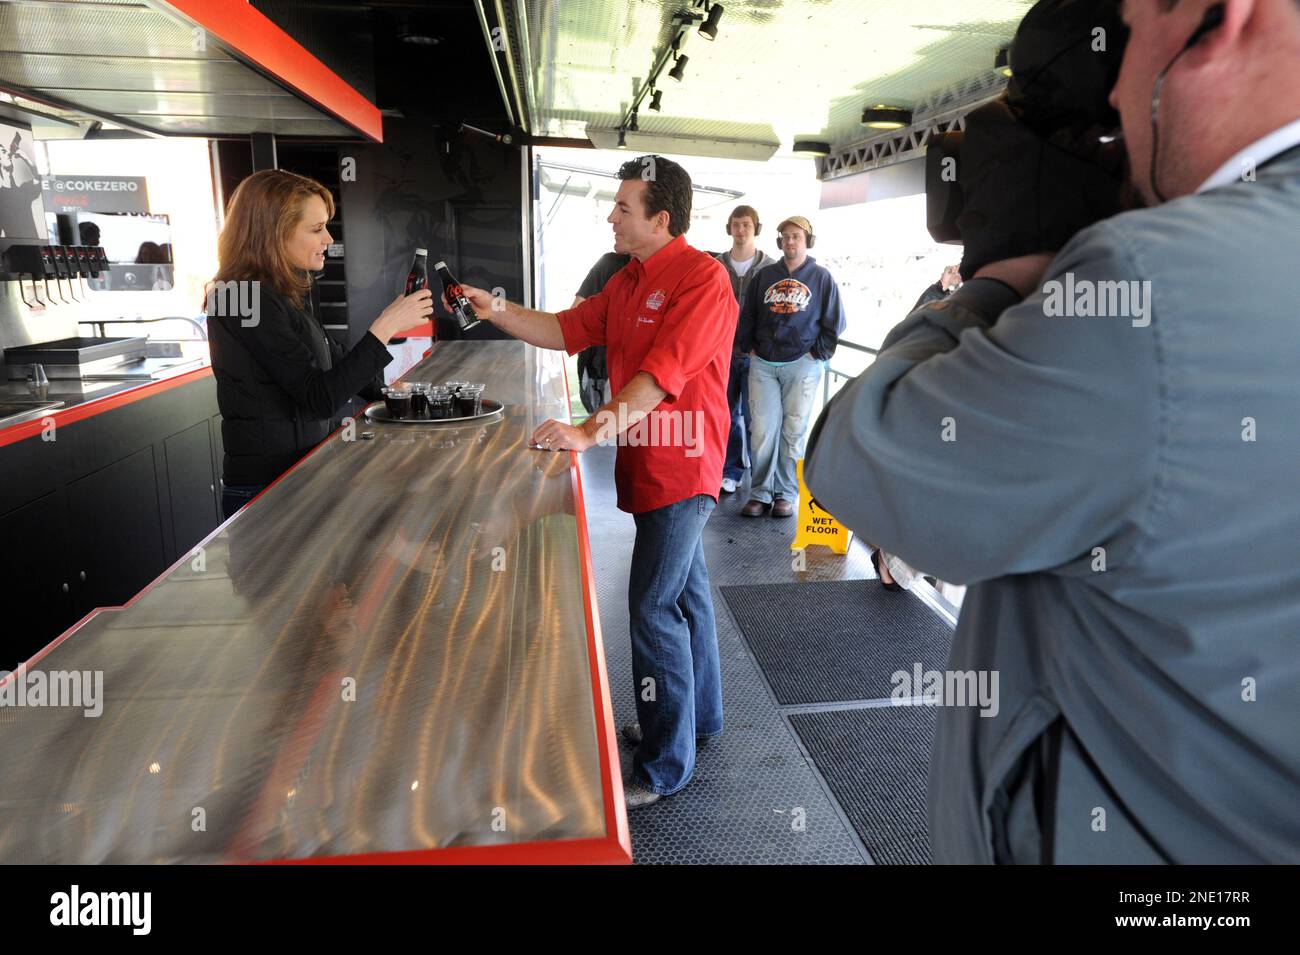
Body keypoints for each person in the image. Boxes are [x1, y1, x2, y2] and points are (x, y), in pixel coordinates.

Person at [805, 0, 1300, 863]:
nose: (1118, 99)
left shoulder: (1153, 287)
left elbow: (858, 457)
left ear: (1219, 20)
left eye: (1138, 32)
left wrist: (998, 286)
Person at [449, 154, 735, 809]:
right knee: (685, 597)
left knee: (652, 609)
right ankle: (697, 720)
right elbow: (564, 329)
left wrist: (585, 430)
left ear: (662, 218)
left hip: (684, 467)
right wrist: (491, 306)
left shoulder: (703, 281)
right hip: (647, 462)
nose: (612, 215)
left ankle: (665, 764)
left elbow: (661, 376)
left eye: (624, 207)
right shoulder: (630, 279)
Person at [207, 170, 432, 519]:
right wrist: (386, 325)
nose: (328, 238)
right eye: (316, 229)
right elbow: (319, 398)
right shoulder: (240, 297)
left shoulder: (284, 289)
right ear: (274, 233)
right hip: (267, 493)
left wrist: (400, 399)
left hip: (301, 477)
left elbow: (333, 362)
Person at [736, 215, 845, 518]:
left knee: (794, 431)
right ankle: (760, 493)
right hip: (764, 364)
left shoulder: (821, 277)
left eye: (796, 236)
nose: (790, 241)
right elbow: (748, 315)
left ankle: (785, 494)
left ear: (807, 240)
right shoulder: (765, 275)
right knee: (762, 431)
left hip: (802, 364)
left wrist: (817, 353)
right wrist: (750, 347)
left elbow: (836, 321)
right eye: (785, 236)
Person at [714, 205, 776, 494]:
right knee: (725, 416)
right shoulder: (715, 266)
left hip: (756, 356)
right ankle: (731, 470)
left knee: (757, 419)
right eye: (736, 224)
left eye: (746, 225)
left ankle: (763, 480)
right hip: (722, 354)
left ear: (756, 229)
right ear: (729, 228)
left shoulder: (770, 268)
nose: (740, 230)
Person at [572, 251, 631, 414]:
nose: (613, 223)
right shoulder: (610, 264)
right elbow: (575, 317)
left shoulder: (609, 264)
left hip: (607, 372)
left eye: (623, 222)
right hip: (600, 371)